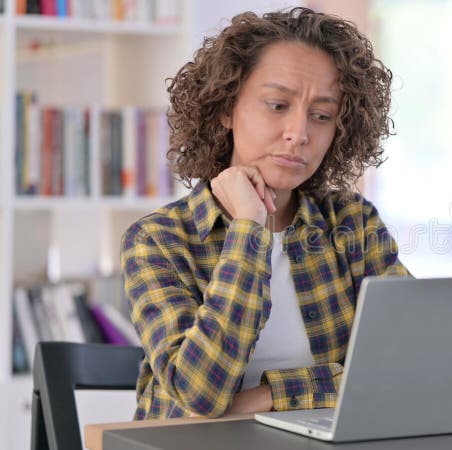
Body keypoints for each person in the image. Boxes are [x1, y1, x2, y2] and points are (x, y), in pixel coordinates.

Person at [121, 7, 409, 420]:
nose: (300, 133)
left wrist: (267, 396)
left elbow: (411, 363)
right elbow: (200, 395)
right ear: (226, 109)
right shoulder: (158, 240)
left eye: (322, 115)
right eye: (277, 105)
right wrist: (247, 227)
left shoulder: (352, 223)